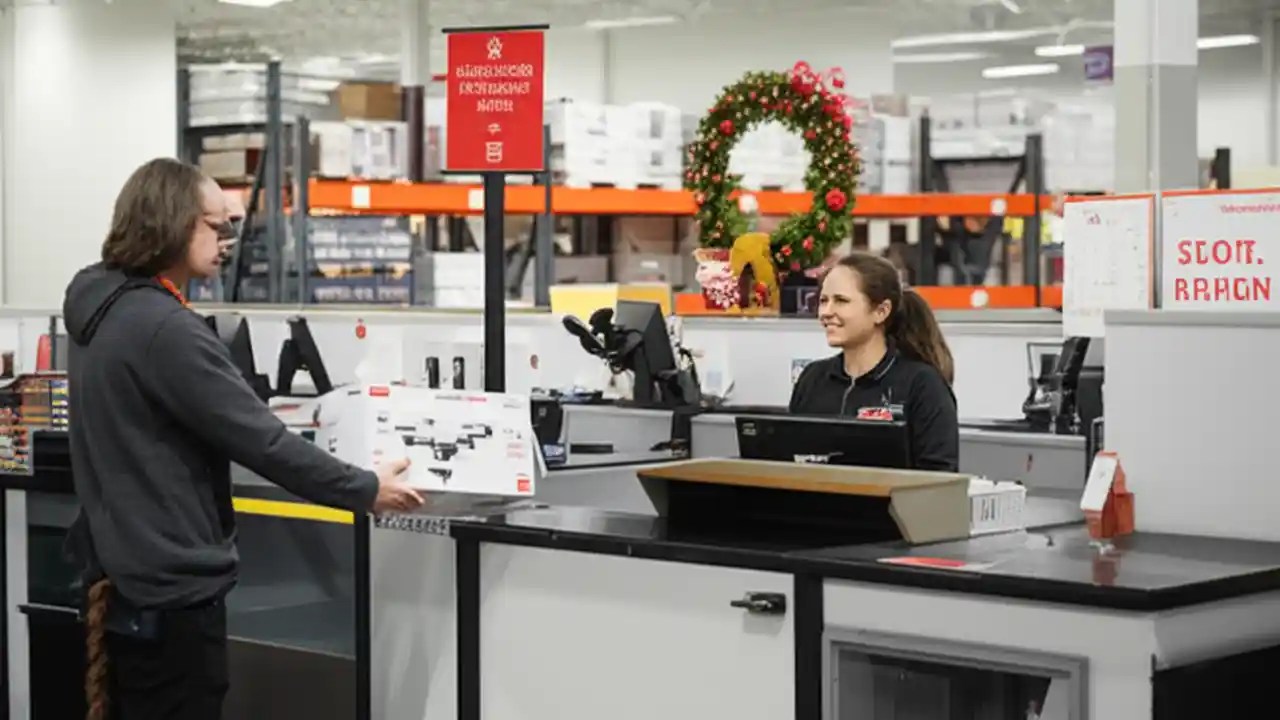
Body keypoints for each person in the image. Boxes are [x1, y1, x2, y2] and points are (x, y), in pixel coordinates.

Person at [62, 157, 427, 720]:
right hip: (173, 593)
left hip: (121, 580)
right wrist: (362, 488)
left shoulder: (97, 309)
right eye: (215, 225)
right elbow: (263, 442)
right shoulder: (164, 329)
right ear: (170, 223)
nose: (226, 239)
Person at [789, 251, 959, 472]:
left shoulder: (922, 385)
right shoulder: (812, 379)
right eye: (823, 300)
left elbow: (940, 480)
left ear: (881, 311)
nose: (826, 312)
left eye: (841, 300)